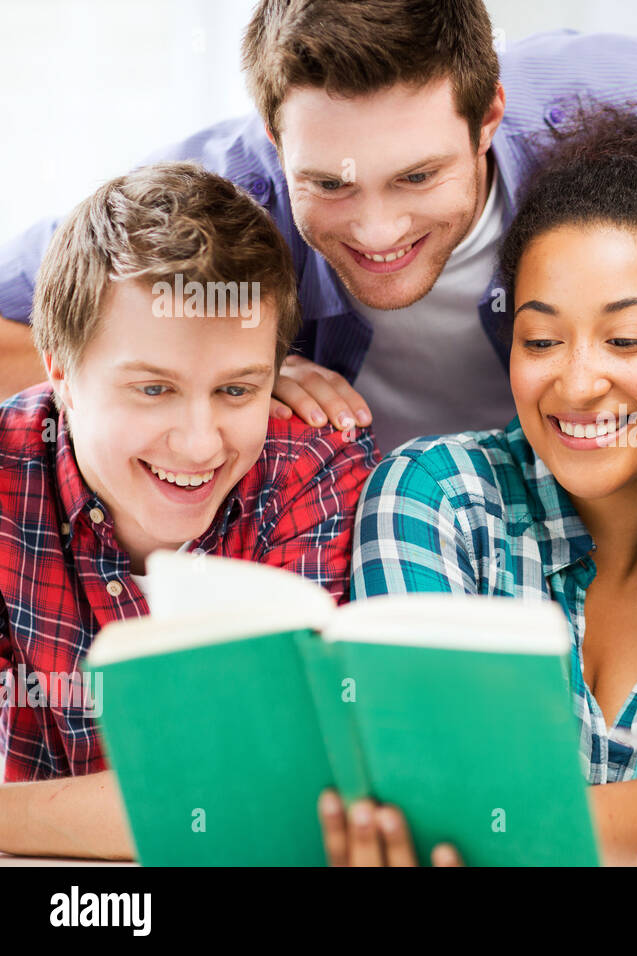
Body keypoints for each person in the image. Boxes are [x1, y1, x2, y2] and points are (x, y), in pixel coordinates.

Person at [0, 0, 637, 491]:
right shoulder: (218, 200)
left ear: (489, 115)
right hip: (372, 560)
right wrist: (224, 371)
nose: (376, 233)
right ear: (274, 138)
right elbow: (18, 336)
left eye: (417, 176)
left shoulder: (613, 93)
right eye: (331, 186)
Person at [328, 106, 637, 867]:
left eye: (626, 340)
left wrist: (501, 828)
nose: (578, 383)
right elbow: (430, 802)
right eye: (540, 340)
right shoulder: (433, 496)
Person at [0, 161, 377, 860]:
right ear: (60, 371)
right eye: (153, 390)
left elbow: (250, 796)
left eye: (237, 390)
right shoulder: (8, 472)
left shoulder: (312, 481)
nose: (200, 442)